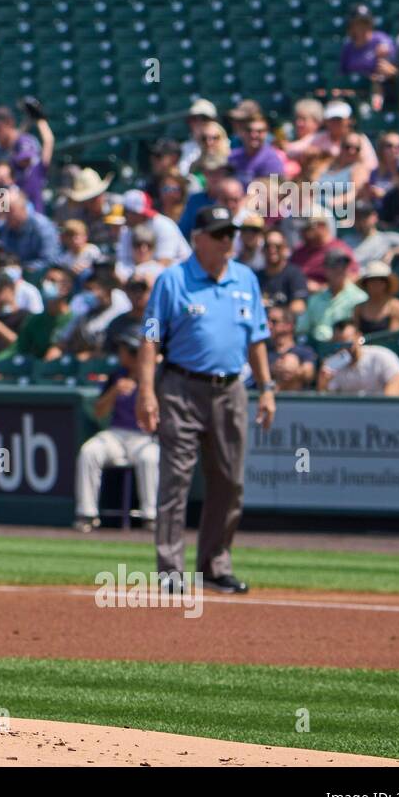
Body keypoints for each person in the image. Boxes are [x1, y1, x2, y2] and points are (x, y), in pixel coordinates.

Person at [136, 205, 275, 596]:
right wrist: (146, 392)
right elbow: (149, 338)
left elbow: (258, 338)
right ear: (197, 239)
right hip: (181, 386)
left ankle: (215, 565)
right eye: (218, 234)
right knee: (175, 481)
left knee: (230, 482)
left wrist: (266, 388)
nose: (227, 241)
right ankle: (170, 571)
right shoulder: (172, 280)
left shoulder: (246, 278)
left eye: (230, 234)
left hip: (231, 388)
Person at [73, 327, 159, 533]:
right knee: (89, 451)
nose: (120, 354)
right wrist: (114, 391)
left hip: (145, 437)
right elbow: (98, 413)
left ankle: (151, 517)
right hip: (116, 435)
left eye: (124, 350)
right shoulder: (116, 376)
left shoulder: (157, 378)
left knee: (150, 458)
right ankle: (86, 513)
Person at [0, 265, 73, 361]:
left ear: (66, 287)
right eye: (45, 279)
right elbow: (16, 348)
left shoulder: (74, 321)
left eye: (52, 281)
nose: (46, 284)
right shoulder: (34, 320)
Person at [318, 321, 399, 396]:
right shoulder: (331, 365)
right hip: (348, 415)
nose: (343, 347)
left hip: (382, 412)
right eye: (338, 344)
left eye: (347, 343)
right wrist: (323, 383)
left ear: (358, 337)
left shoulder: (381, 355)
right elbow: (327, 400)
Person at [0, 106, 47, 208]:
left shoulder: (26, 141)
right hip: (3, 197)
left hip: (28, 194)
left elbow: (27, 160)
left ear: (9, 123)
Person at [0, 185, 60, 273]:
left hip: (35, 277)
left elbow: (50, 261)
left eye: (10, 210)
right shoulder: (0, 228)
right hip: (5, 276)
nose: (6, 215)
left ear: (23, 208)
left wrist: (21, 269)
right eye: (4, 210)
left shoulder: (43, 227)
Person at [300, 250, 367, 342]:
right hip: (319, 351)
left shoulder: (360, 298)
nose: (339, 269)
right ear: (325, 269)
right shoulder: (315, 299)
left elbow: (362, 333)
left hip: (348, 349)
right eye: (333, 266)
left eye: (343, 266)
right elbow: (302, 329)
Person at [116, 189, 191, 267]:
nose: (124, 216)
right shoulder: (127, 229)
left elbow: (164, 263)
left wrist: (136, 273)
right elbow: (123, 261)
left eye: (126, 212)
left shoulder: (164, 226)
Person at [345, 201, 399, 266]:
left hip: (376, 281)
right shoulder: (346, 240)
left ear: (374, 217)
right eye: (357, 217)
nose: (361, 220)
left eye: (365, 216)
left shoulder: (387, 237)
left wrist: (393, 251)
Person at [290, 212, 357, 288]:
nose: (304, 233)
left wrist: (323, 289)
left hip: (329, 297)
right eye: (302, 229)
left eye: (308, 229)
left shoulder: (339, 249)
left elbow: (353, 276)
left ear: (322, 226)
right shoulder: (299, 252)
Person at [257, 228, 309, 315]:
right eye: (268, 246)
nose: (272, 250)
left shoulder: (295, 274)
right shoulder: (255, 277)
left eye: (277, 246)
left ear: (285, 249)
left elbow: (299, 307)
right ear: (262, 250)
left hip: (285, 326)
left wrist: (273, 313)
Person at [263, 307, 316, 391]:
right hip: (268, 397)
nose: (268, 325)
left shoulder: (304, 351)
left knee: (290, 361)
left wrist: (290, 370)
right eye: (267, 321)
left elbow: (308, 373)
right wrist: (274, 368)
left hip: (294, 401)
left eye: (274, 322)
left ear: (288, 326)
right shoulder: (263, 351)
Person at [226, 114, 286, 185]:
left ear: (266, 133)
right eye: (249, 130)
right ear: (242, 132)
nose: (253, 135)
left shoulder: (272, 160)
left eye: (259, 131)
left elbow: (273, 190)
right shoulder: (233, 156)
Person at [352, 260, 399, 335]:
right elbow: (355, 334)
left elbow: (395, 337)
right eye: (372, 280)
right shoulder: (358, 309)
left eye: (381, 280)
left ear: (387, 283)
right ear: (366, 284)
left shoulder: (397, 307)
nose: (376, 283)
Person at [177, 99, 220, 174]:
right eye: (194, 119)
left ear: (214, 122)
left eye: (204, 118)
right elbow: (183, 174)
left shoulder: (226, 145)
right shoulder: (184, 148)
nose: (199, 123)